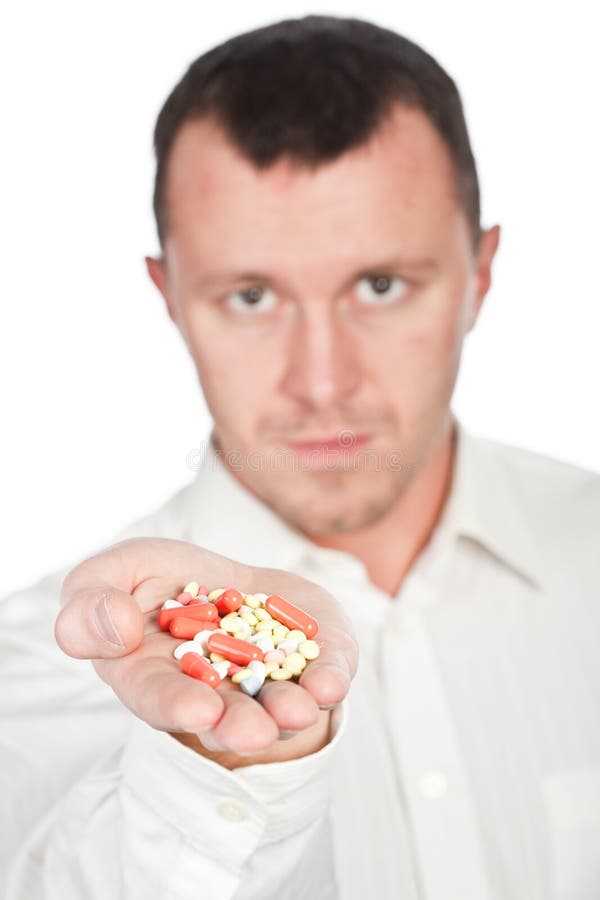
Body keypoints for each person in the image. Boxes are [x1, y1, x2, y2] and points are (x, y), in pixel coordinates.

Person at [1, 13, 599, 900]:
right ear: (169, 297)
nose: (323, 382)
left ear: (480, 273)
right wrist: (218, 768)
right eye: (251, 295)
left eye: (381, 285)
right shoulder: (47, 663)